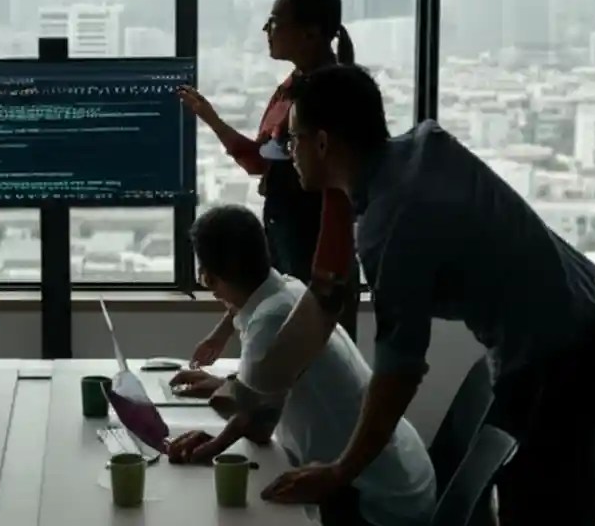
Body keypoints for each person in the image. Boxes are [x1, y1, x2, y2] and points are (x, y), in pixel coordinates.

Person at [251, 64, 595, 526]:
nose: (289, 152)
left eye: (294, 139)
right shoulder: (419, 148)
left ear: (324, 143)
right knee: (524, 490)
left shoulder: (392, 223)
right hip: (579, 324)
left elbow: (399, 371)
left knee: (533, 505)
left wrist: (341, 470)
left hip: (561, 354)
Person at [166, 205, 434, 526]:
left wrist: (207, 445)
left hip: (377, 502)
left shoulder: (270, 319)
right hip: (404, 474)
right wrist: (226, 385)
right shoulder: (290, 289)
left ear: (207, 277)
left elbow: (259, 427)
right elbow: (277, 385)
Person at [178, 0, 361, 366]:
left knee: (312, 370)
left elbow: (333, 203)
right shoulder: (292, 87)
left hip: (317, 260)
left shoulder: (329, 96)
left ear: (310, 33)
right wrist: (209, 117)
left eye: (276, 21)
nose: (267, 29)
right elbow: (261, 161)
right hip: (291, 244)